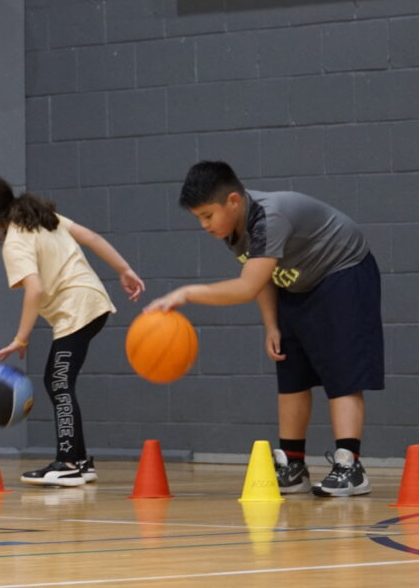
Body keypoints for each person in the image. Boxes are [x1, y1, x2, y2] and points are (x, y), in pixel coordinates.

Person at [146, 160, 383, 498]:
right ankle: (293, 465)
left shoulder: (271, 218)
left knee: (341, 372)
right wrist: (272, 325)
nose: (204, 225)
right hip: (297, 281)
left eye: (208, 215)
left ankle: (350, 465)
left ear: (233, 200)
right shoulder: (233, 230)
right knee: (291, 370)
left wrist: (186, 293)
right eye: (198, 218)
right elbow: (263, 277)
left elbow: (245, 287)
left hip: (342, 270)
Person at [0, 170, 145, 487]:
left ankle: (69, 461)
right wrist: (123, 269)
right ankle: (79, 461)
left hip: (76, 309)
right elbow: (92, 237)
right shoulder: (38, 217)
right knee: (58, 380)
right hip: (91, 301)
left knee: (58, 382)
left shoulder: (14, 242)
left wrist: (20, 339)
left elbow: (35, 290)